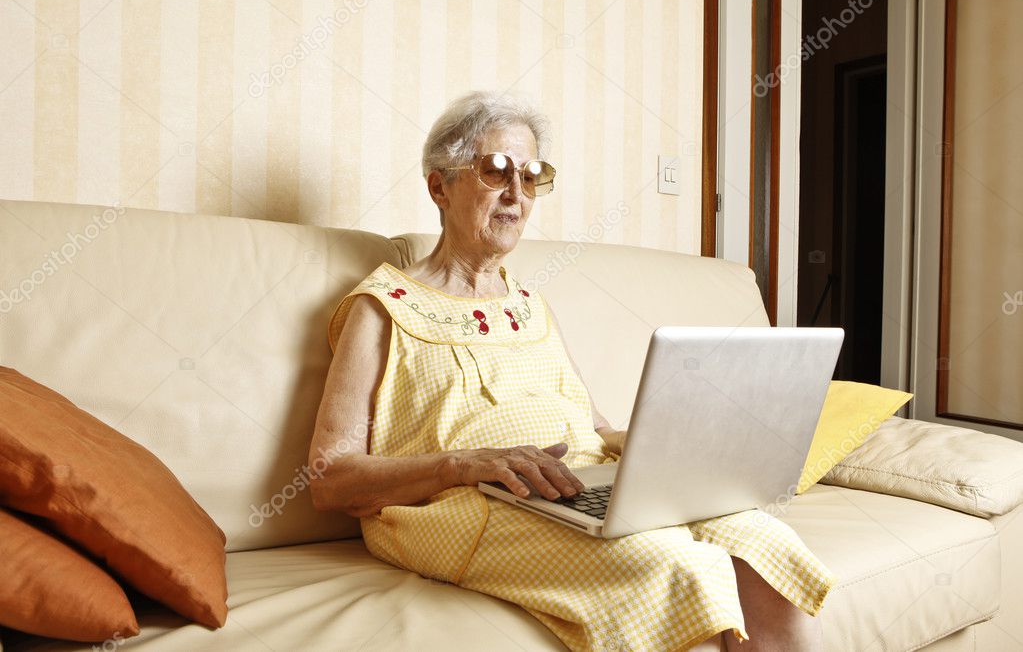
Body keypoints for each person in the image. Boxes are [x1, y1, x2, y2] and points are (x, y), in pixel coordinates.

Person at [310, 90, 834, 651]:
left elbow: (592, 423)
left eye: (532, 178)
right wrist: (463, 465)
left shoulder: (532, 306)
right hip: (463, 503)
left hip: (575, 486)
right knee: (677, 567)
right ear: (440, 185)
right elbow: (329, 478)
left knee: (762, 543)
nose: (517, 195)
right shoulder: (381, 306)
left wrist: (670, 448)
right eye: (496, 172)